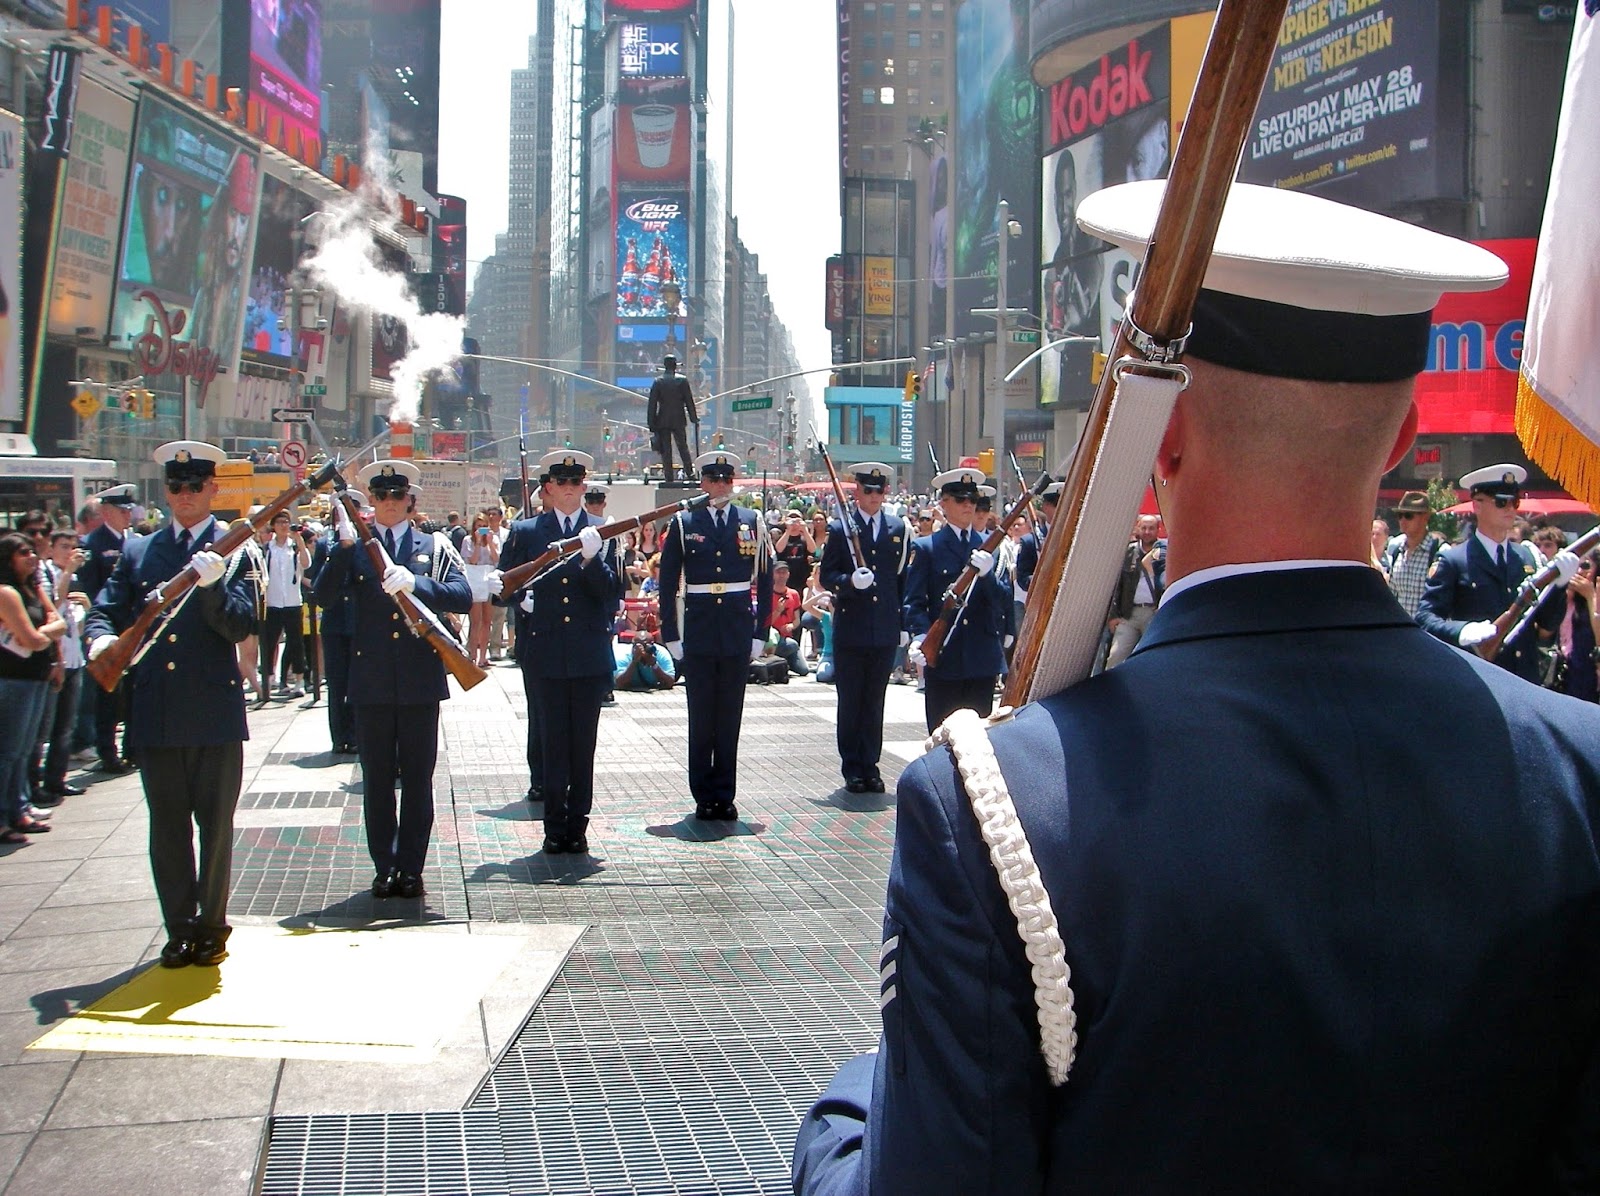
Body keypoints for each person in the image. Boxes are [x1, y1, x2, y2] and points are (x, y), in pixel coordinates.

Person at [791, 181, 1600, 1193]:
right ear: (1400, 444)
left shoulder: (1001, 805)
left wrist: (846, 1109)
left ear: (1160, 442)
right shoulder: (1581, 769)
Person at [84, 441, 259, 967]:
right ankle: (179, 927)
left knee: (216, 827)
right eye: (176, 486)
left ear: (213, 489)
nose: (185, 495)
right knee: (167, 829)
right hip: (156, 711)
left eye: (195, 486)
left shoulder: (236, 549)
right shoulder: (140, 551)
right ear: (167, 492)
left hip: (213, 712)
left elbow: (240, 624)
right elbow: (106, 609)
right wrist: (98, 641)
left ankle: (212, 925)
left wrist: (209, 587)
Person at [314, 461, 471, 900]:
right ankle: (384, 866)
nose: (388, 503)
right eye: (380, 495)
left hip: (420, 679)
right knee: (378, 781)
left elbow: (461, 593)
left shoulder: (433, 546)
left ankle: (412, 868)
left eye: (396, 496)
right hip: (372, 680)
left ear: (410, 501)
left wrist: (418, 583)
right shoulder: (355, 547)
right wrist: (343, 546)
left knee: (419, 779)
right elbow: (322, 597)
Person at [497, 450, 616, 855]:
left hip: (585, 652)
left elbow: (611, 596)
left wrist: (590, 560)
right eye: (562, 484)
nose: (569, 491)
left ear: (584, 487)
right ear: (548, 488)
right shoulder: (528, 531)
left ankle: (577, 825)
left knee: (583, 745)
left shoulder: (602, 530)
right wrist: (523, 603)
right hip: (545, 651)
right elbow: (502, 587)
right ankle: (553, 826)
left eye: (576, 484)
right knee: (551, 742)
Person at [657, 450, 774, 821]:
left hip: (737, 627)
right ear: (703, 482)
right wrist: (671, 634)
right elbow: (667, 582)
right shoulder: (683, 522)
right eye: (714, 479)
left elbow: (766, 579)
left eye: (727, 479)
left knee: (729, 717)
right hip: (701, 626)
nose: (721, 485)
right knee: (702, 716)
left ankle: (725, 792)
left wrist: (761, 630)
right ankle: (703, 794)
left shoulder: (751, 520)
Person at [1416, 464, 1574, 684]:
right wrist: (1461, 630)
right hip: (1479, 676)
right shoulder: (1455, 560)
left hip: (1523, 678)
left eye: (1514, 502)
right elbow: (1425, 619)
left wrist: (1559, 586)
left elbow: (1546, 625)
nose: (1510, 509)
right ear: (1477, 505)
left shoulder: (1527, 558)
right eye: (1501, 502)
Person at [818, 463, 910, 793]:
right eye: (868, 490)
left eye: (880, 490)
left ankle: (871, 764)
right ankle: (852, 767)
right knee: (851, 700)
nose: (874, 496)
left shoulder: (898, 527)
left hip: (883, 626)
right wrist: (849, 582)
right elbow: (827, 575)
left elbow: (902, 580)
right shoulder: (842, 526)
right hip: (852, 627)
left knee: (875, 700)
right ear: (857, 491)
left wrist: (903, 623)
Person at [903, 466, 1012, 733]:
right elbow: (914, 601)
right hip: (945, 656)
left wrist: (988, 576)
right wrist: (919, 635)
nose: (968, 506)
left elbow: (1002, 601)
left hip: (981, 657)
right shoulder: (927, 547)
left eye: (972, 500)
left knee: (979, 742)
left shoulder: (991, 548)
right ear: (944, 502)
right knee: (942, 737)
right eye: (961, 499)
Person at [0, 531, 66, 842]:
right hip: (14, 679)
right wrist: (47, 633)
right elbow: (31, 638)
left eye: (31, 552)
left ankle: (20, 807)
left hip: (37, 676)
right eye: (23, 552)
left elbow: (59, 622)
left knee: (26, 749)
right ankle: (4, 815)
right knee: (9, 751)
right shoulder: (6, 593)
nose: (32, 556)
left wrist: (48, 636)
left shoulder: (34, 588)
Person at [77, 484, 139, 775]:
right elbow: (92, 593)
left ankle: (132, 747)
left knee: (133, 694)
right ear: (105, 512)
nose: (128, 515)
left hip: (134, 630)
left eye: (129, 510)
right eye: (121, 510)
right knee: (107, 695)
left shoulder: (135, 542)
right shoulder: (92, 545)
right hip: (109, 631)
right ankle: (108, 751)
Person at [30, 531, 89, 806]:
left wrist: (85, 608)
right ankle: (33, 786)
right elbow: (54, 604)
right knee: (43, 730)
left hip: (74, 657)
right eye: (64, 547)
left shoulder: (73, 577)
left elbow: (74, 621)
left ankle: (57, 779)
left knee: (66, 726)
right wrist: (68, 573)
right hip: (54, 661)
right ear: (52, 549)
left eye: (74, 547)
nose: (70, 552)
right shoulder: (46, 573)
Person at [311, 492, 361, 755]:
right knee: (336, 682)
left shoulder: (365, 542)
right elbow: (317, 580)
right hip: (334, 619)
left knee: (357, 681)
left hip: (357, 621)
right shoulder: (324, 543)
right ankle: (338, 736)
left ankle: (355, 734)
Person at [258, 510, 311, 701]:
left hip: (292, 601)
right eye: (279, 522)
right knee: (269, 643)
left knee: (296, 642)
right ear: (273, 525)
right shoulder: (267, 549)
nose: (283, 526)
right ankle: (268, 680)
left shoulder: (294, 548)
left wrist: (300, 542)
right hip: (272, 602)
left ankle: (299, 680)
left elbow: (306, 564)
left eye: (286, 522)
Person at [1106, 513, 1167, 667]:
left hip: (1154, 614)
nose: (1147, 532)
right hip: (1129, 614)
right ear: (1138, 529)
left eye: (1151, 528)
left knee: (1153, 659)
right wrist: (1113, 616)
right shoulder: (1127, 552)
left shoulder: (1165, 552)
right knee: (1115, 657)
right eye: (1144, 528)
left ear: (1158, 530)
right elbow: (1115, 586)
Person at [1382, 490, 1445, 618]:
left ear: (1425, 517)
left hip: (1429, 633)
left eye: (1409, 515)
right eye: (1400, 515)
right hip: (1401, 632)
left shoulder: (1440, 552)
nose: (1403, 520)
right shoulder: (1397, 552)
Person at [646, 354, 699, 483]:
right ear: (675, 365)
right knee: (683, 447)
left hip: (662, 420)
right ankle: (689, 473)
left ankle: (668, 476)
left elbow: (652, 404)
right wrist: (694, 418)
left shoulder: (658, 382)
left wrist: (651, 423)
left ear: (664, 365)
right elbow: (689, 402)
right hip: (679, 419)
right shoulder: (682, 380)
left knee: (666, 450)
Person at [1556, 550, 1600, 701]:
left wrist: (1591, 596)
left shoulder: (1593, 599)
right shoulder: (1569, 599)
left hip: (1591, 683)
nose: (1579, 572)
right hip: (1568, 681)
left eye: (1586, 566)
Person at [462, 511, 500, 668]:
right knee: (475, 621)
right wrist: (478, 542)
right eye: (479, 526)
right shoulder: (467, 541)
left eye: (485, 526)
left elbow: (497, 559)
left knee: (487, 621)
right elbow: (472, 560)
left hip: (489, 578)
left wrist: (490, 543)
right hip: (475, 578)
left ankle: (483, 656)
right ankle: (472, 654)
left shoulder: (494, 539)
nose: (482, 529)